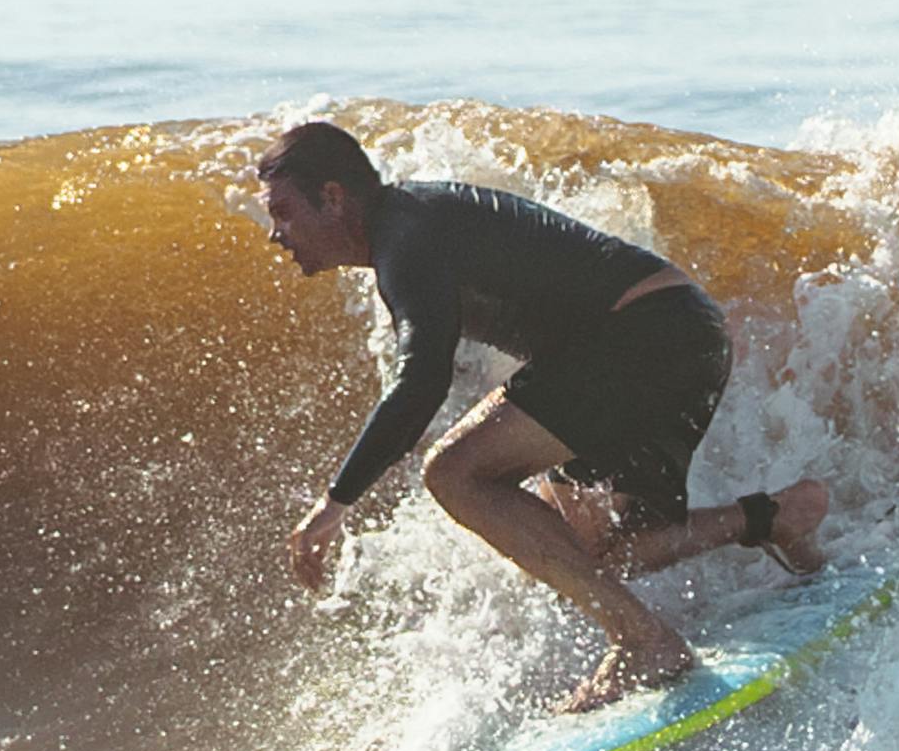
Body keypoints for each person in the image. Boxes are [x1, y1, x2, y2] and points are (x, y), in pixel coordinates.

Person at [251, 119, 834, 705]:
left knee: (454, 473)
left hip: (642, 338)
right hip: (681, 335)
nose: (277, 234)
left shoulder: (405, 237)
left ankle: (643, 641)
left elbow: (421, 378)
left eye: (283, 212)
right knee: (587, 553)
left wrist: (336, 503)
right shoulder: (409, 226)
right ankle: (775, 517)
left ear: (332, 196)